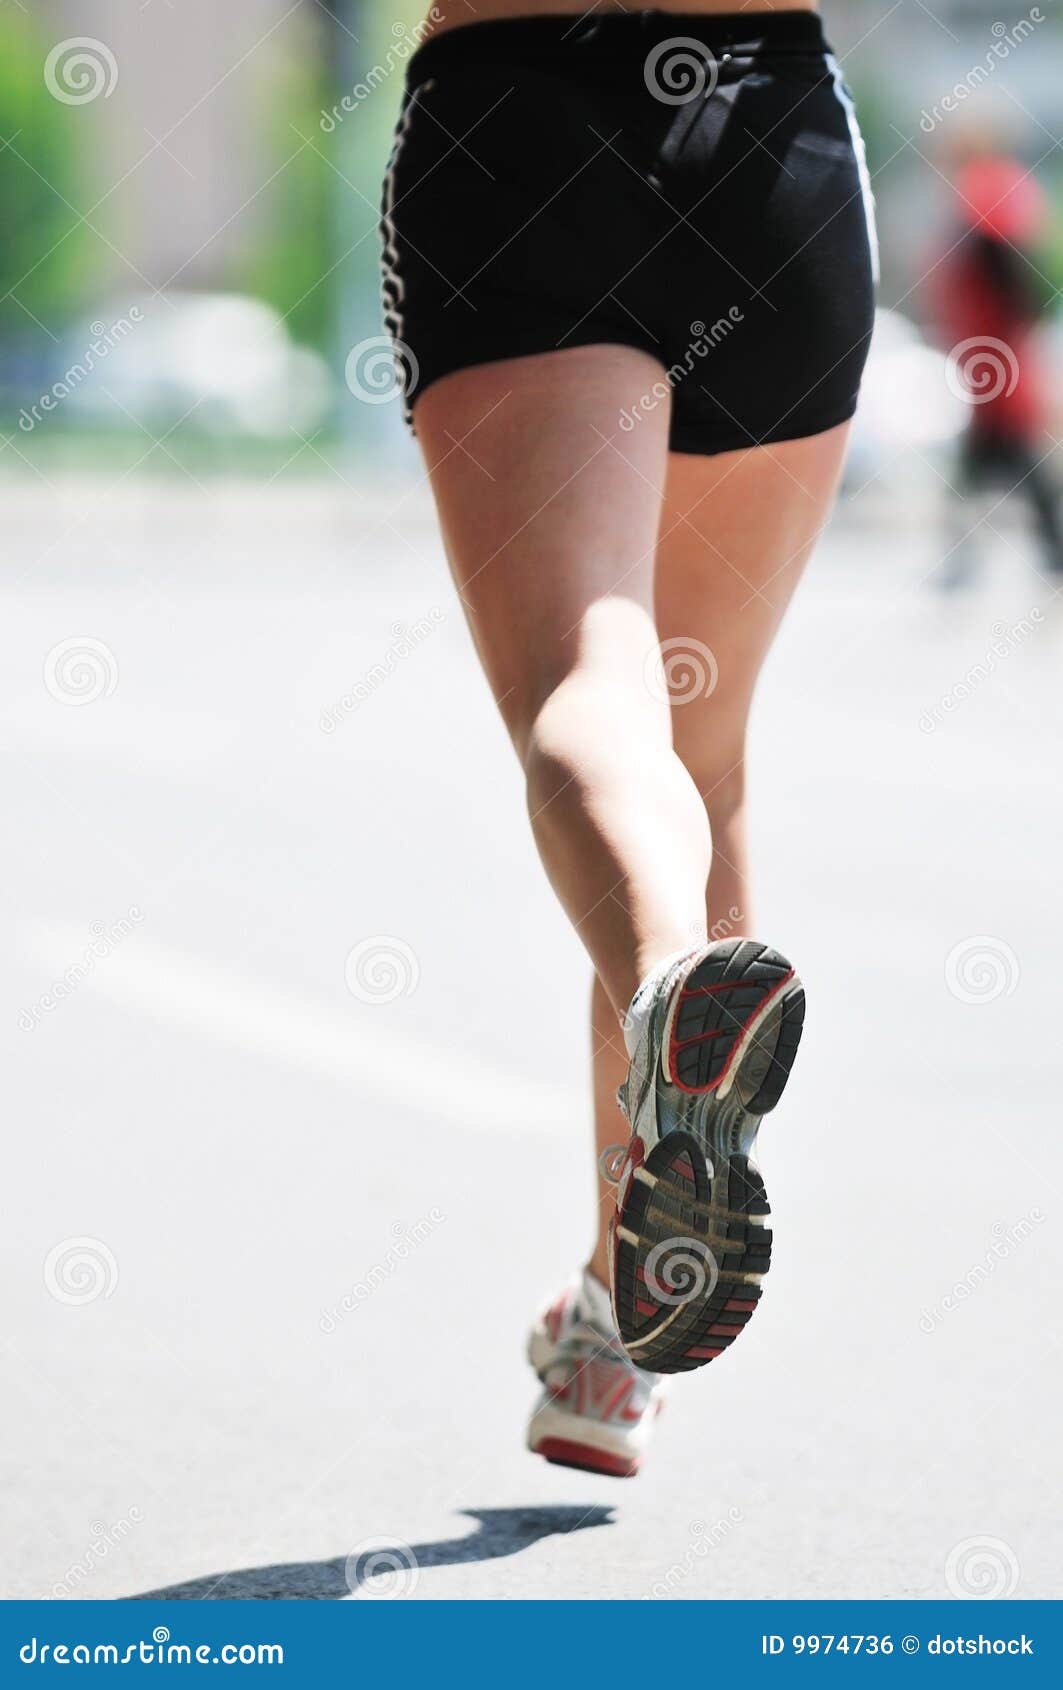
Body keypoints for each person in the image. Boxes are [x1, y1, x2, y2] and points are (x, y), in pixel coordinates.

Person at [380, 0, 877, 1477]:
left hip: (515, 116)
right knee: (698, 749)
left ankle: (668, 987)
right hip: (769, 132)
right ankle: (615, 1315)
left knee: (587, 679)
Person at [929, 146, 1063, 587]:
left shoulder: (986, 205)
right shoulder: (989, 206)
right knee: (1008, 469)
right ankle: (1041, 556)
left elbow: (1016, 281)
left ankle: (966, 564)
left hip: (1000, 374)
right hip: (995, 373)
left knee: (1008, 467)